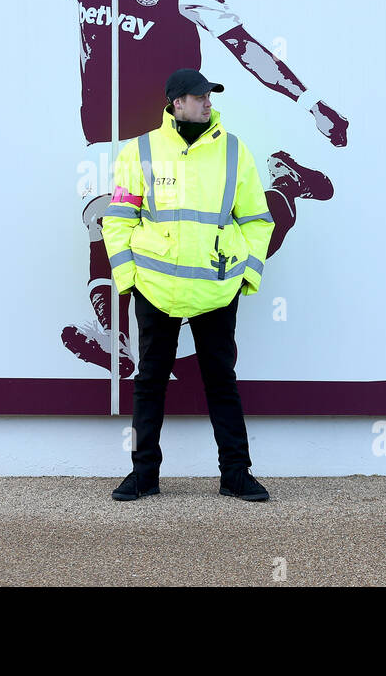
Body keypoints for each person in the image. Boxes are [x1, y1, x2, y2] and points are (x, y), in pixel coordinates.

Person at [0, 0, 343, 378]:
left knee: (218, 263)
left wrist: (309, 101)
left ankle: (285, 185)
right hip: (108, 140)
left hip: (172, 142)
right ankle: (113, 337)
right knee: (103, 221)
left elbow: (243, 46)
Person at [101, 68, 276, 502]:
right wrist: (130, 279)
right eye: (200, 97)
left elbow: (257, 220)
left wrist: (246, 276)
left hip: (216, 287)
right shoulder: (139, 151)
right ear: (177, 102)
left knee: (221, 380)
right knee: (150, 381)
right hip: (155, 288)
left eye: (210, 97)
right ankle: (144, 476)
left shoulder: (234, 151)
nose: (208, 103)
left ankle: (236, 474)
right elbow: (118, 219)